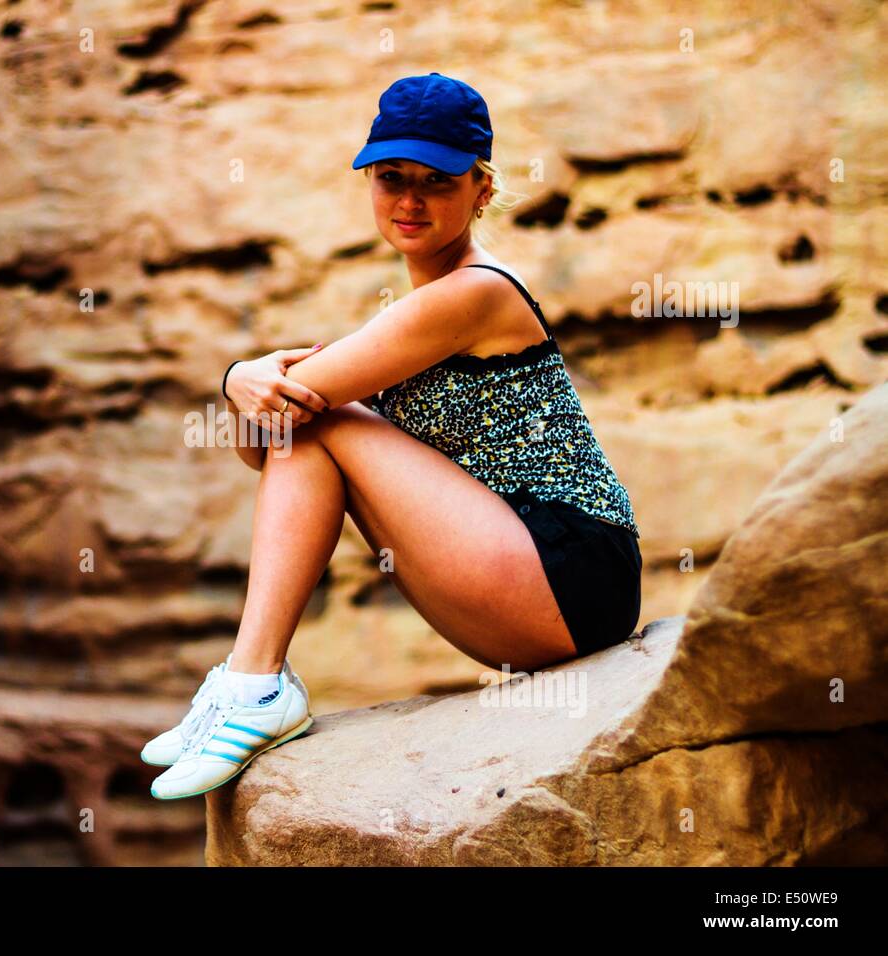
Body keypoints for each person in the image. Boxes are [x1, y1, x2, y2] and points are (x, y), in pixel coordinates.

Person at [144, 73, 642, 801]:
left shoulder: (476, 292)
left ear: (482, 190)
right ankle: (249, 683)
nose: (409, 201)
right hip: (519, 575)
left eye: (436, 182)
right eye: (390, 178)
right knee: (321, 429)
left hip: (569, 567)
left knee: (333, 422)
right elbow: (270, 446)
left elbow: (286, 417)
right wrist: (252, 390)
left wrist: (235, 378)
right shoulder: (416, 312)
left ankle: (252, 684)